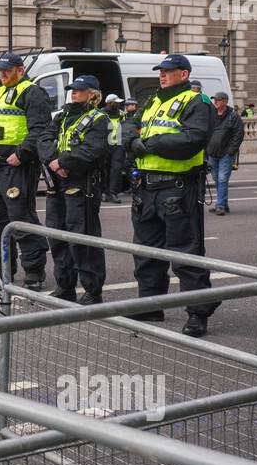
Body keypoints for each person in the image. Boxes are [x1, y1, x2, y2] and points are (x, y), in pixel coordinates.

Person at [127, 54, 216, 337]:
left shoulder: (196, 101)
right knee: (146, 252)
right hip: (147, 187)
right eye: (161, 71)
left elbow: (192, 140)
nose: (162, 75)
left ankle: (197, 313)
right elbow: (129, 125)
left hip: (177, 187)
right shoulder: (153, 101)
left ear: (184, 74)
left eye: (169, 71)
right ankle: (152, 304)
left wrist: (147, 144)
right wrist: (132, 139)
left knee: (186, 253)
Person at [0, 54, 54, 288]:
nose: (2, 75)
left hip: (17, 165)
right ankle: (3, 268)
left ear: (21, 70)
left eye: (7, 71)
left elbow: (40, 129)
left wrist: (21, 154)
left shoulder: (32, 92)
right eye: (0, 71)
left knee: (21, 219)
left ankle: (34, 272)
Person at [45, 76, 111, 304]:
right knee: (57, 237)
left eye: (79, 90)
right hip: (58, 183)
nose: (73, 93)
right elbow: (44, 139)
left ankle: (93, 290)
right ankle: (65, 286)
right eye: (72, 89)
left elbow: (94, 150)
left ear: (92, 93)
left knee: (83, 240)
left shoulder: (98, 118)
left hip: (82, 185)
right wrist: (54, 161)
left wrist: (64, 163)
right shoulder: (62, 116)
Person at [206, 91, 244, 216]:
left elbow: (238, 135)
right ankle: (223, 204)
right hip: (212, 153)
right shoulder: (211, 115)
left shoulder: (233, 116)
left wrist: (230, 151)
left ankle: (220, 205)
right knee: (217, 179)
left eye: (218, 100)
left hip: (225, 154)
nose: (215, 102)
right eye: (214, 100)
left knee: (222, 179)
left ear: (225, 101)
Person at [101, 94, 125, 203]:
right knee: (104, 170)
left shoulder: (121, 114)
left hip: (118, 145)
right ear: (110, 103)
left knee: (116, 170)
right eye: (116, 102)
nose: (119, 103)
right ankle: (104, 193)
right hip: (105, 145)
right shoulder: (101, 114)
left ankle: (113, 193)